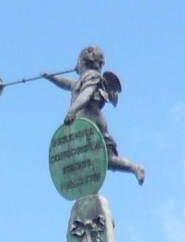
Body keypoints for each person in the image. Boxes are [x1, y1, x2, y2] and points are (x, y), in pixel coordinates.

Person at [42, 47, 145, 184]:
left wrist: (72, 110)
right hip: (91, 120)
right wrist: (52, 77)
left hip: (90, 118)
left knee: (88, 155)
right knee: (107, 159)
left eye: (78, 61)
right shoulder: (81, 81)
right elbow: (67, 83)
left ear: (83, 62)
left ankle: (134, 168)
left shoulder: (92, 76)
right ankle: (134, 167)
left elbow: (87, 93)